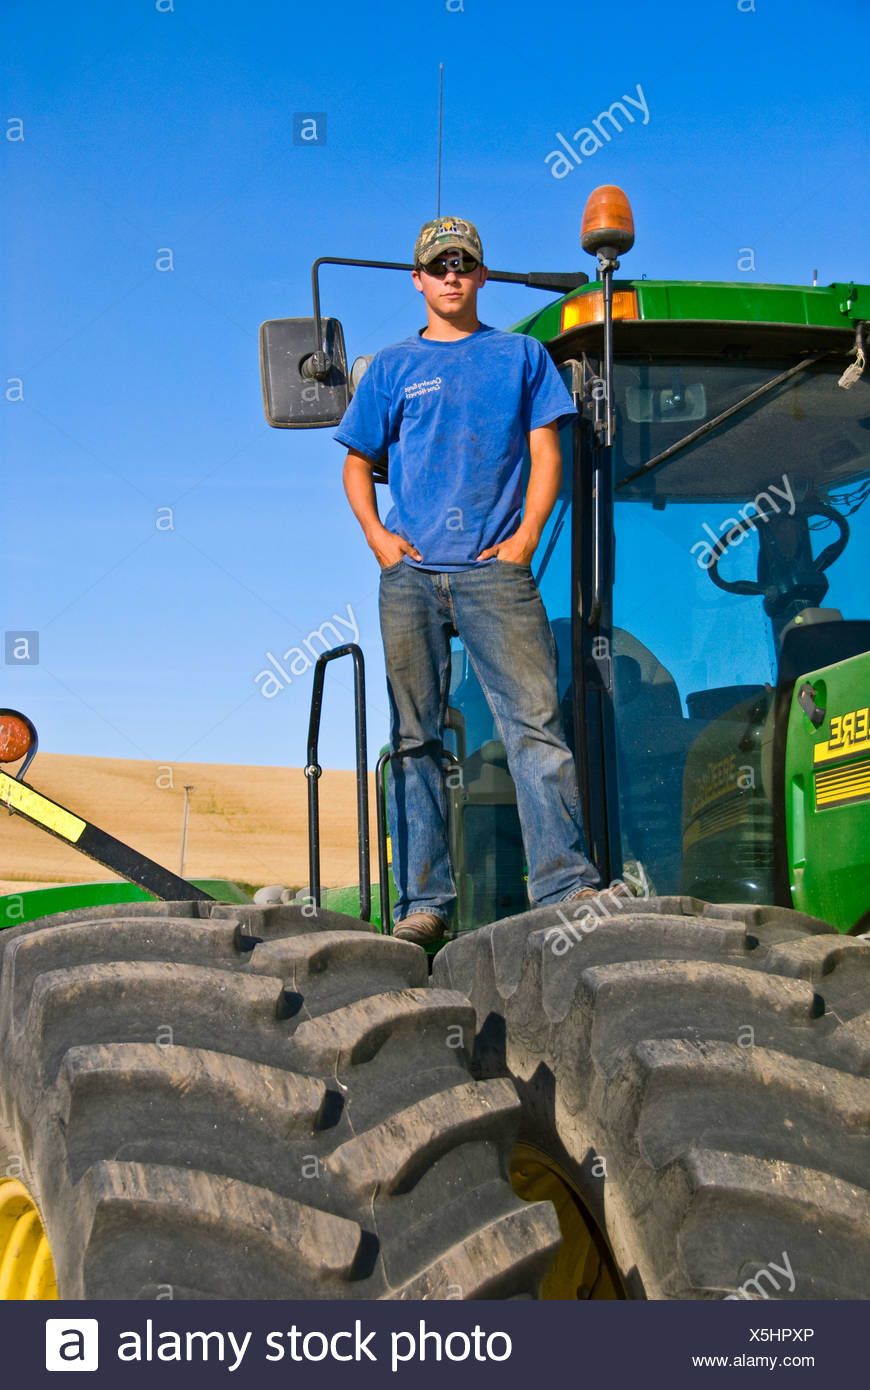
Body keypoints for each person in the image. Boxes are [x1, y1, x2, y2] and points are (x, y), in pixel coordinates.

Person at [336, 214, 619, 944]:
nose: (452, 273)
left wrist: (524, 539)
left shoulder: (521, 357)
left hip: (497, 575)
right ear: (419, 280)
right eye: (439, 264)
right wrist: (380, 540)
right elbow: (356, 463)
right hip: (412, 578)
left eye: (464, 262)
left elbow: (546, 452)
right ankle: (424, 905)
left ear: (482, 276)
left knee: (534, 729)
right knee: (414, 739)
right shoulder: (393, 367)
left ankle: (562, 882)